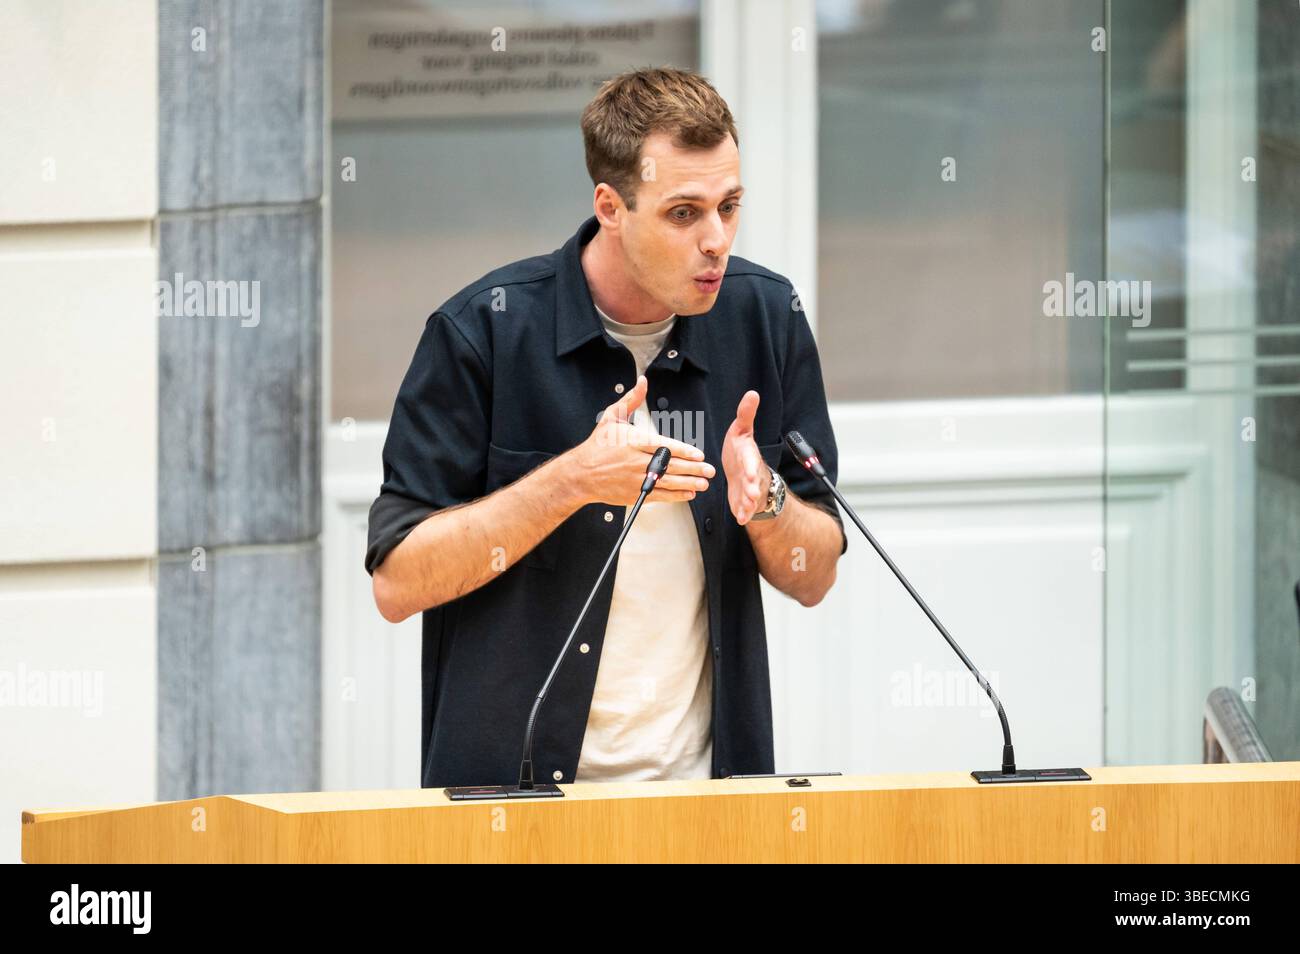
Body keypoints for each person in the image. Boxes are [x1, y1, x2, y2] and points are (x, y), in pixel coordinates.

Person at [365, 66, 846, 788]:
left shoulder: (765, 321)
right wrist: (569, 482)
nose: (716, 239)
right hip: (519, 805)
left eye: (730, 206)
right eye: (684, 213)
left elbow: (815, 576)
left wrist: (768, 502)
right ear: (611, 206)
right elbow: (398, 584)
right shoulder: (484, 335)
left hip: (705, 803)